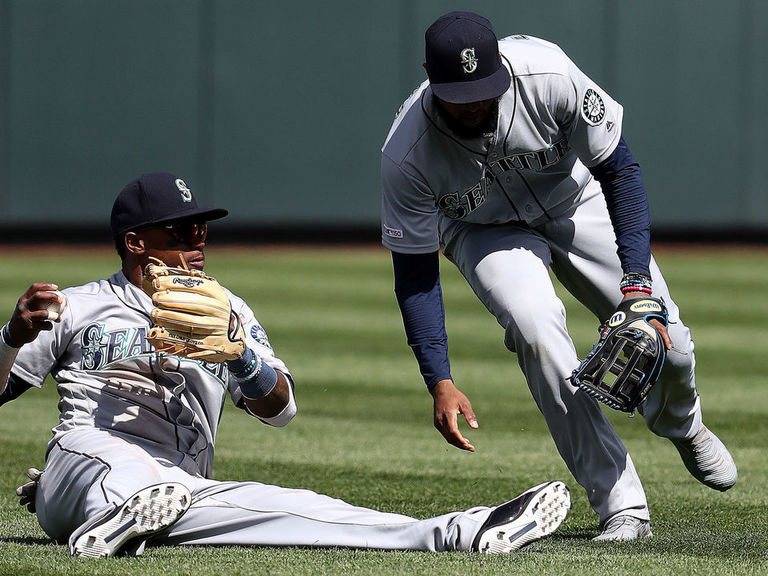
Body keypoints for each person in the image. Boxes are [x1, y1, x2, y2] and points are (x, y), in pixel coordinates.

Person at [0, 172, 570, 558]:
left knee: (299, 510)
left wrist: (242, 356)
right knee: (119, 472)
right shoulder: (73, 306)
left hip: (179, 493)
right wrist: (12, 335)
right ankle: (106, 511)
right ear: (135, 242)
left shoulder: (229, 310)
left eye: (202, 228)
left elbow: (282, 410)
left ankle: (462, 532)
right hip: (85, 458)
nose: (198, 240)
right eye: (181, 230)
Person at [380, 11, 737, 541]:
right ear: (432, 82)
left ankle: (682, 425)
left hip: (573, 199)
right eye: (463, 95)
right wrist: (440, 378)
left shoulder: (548, 75)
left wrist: (637, 286)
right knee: (534, 327)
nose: (478, 102)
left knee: (670, 342)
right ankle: (621, 504)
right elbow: (414, 274)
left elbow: (619, 170)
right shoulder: (406, 154)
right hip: (483, 232)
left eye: (487, 88)